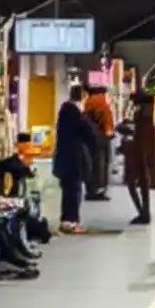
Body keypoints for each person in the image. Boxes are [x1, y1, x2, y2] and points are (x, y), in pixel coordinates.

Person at [53, 85, 98, 233]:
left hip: (66, 159)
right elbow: (87, 132)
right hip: (71, 160)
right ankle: (71, 221)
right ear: (82, 96)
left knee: (70, 191)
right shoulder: (73, 112)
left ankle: (68, 220)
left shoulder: (66, 112)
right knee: (73, 191)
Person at [121, 92, 155, 225]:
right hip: (142, 156)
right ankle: (144, 212)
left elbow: (139, 140)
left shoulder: (143, 121)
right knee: (141, 183)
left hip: (138, 156)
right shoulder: (149, 121)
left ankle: (143, 212)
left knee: (133, 183)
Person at [83, 86, 115, 201]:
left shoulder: (88, 103)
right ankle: (96, 190)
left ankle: (92, 189)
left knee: (93, 164)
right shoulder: (99, 103)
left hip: (91, 139)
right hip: (100, 139)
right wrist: (109, 133)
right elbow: (106, 121)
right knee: (100, 165)